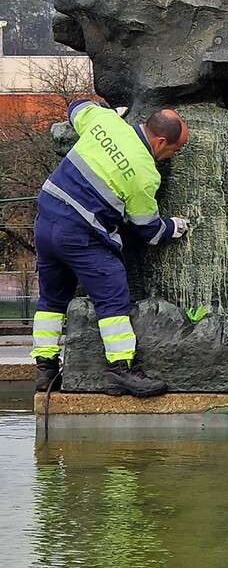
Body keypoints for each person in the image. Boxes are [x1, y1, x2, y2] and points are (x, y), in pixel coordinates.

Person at [31, 99, 190, 398]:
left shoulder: (106, 123)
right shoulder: (146, 174)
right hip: (79, 233)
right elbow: (147, 229)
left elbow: (76, 107)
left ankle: (45, 367)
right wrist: (174, 226)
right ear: (160, 141)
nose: (172, 156)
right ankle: (121, 370)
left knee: (51, 299)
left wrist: (106, 109)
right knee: (113, 293)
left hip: (45, 221)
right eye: (174, 149)